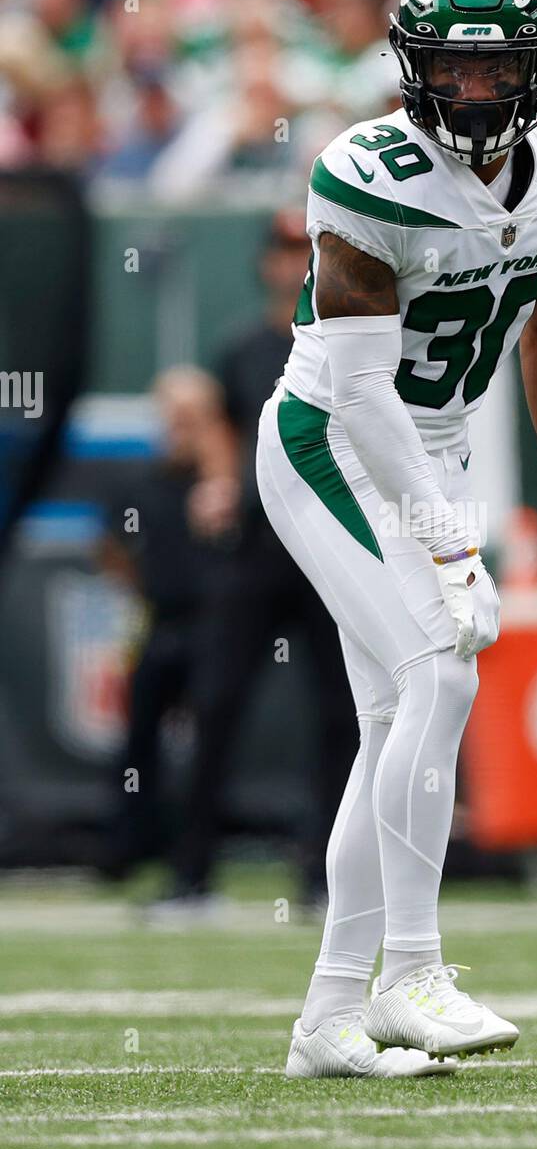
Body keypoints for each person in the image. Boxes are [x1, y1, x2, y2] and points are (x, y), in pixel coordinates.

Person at [256, 0, 537, 1078]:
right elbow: (358, 390)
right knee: (443, 669)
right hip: (331, 439)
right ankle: (409, 971)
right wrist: (447, 540)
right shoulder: (365, 174)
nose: (469, 90)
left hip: (434, 446)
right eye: (448, 68)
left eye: (493, 65)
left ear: (536, 68)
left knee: (396, 722)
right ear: (410, 67)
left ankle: (325, 1020)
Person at [152, 212, 357, 914]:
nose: (290, 261)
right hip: (258, 545)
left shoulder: (345, 342)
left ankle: (325, 876)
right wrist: (217, 482)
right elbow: (222, 430)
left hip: (329, 547)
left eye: (303, 249)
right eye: (283, 250)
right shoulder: (243, 348)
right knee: (215, 705)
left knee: (343, 714)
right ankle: (191, 874)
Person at [100, 367, 224, 874]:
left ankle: (193, 852)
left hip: (214, 626)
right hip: (159, 621)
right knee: (137, 740)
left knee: (211, 740)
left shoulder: (225, 487)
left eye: (192, 418)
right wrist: (141, 592)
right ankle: (130, 846)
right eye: (174, 417)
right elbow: (111, 549)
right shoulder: (142, 483)